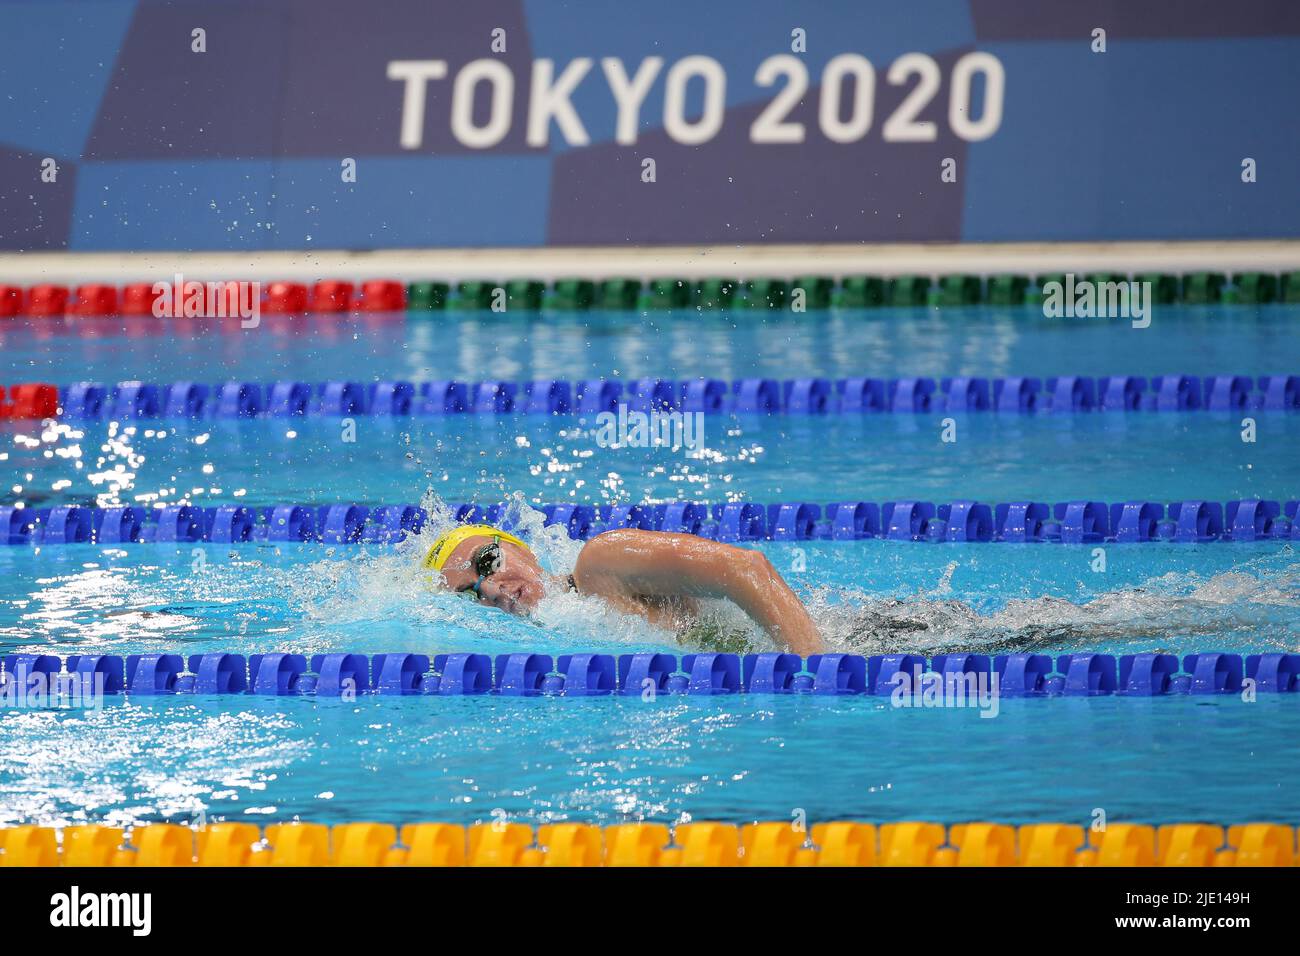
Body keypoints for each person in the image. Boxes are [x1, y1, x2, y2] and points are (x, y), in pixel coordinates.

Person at [422, 524, 825, 655]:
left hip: (869, 642)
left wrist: (819, 670)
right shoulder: (565, 635)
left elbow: (745, 568)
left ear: (517, 547)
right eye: (470, 593)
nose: (491, 588)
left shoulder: (599, 564)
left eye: (488, 562)